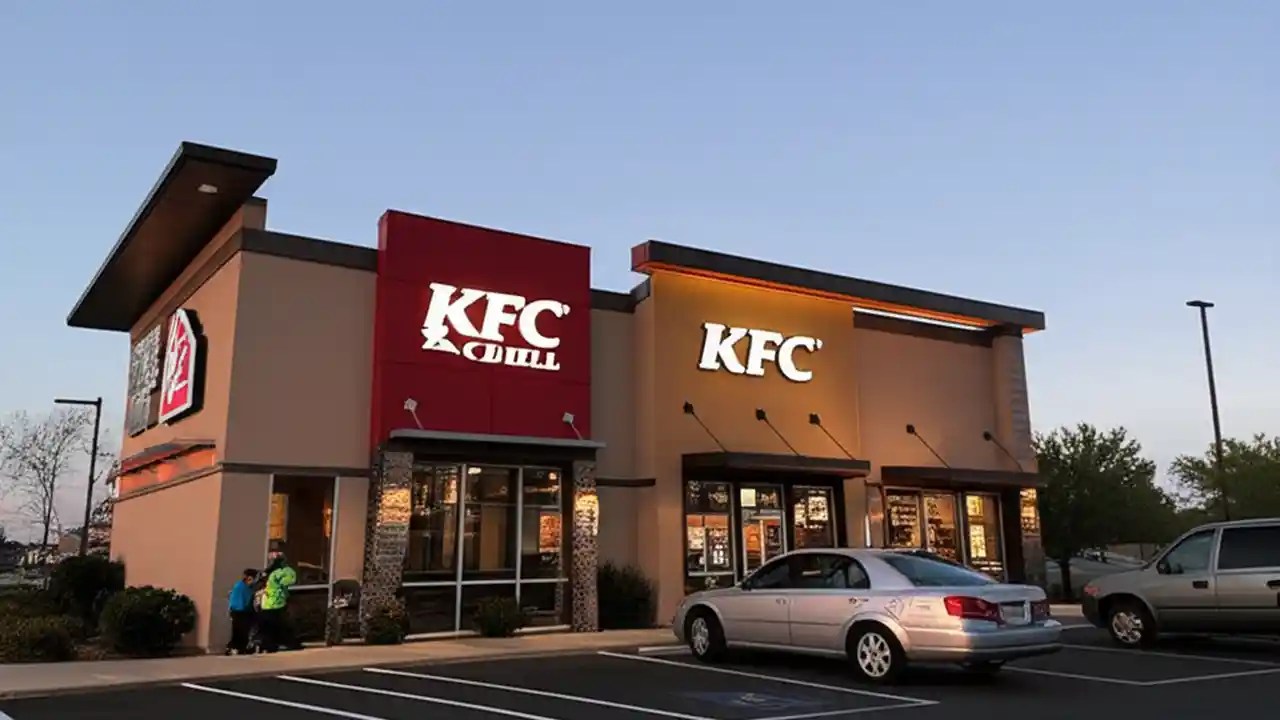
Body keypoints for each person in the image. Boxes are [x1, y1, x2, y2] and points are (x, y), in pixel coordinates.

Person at [258, 550, 297, 653]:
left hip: (266, 602)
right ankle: (286, 643)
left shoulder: (267, 572)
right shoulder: (283, 572)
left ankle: (267, 646)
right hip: (277, 602)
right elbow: (290, 581)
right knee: (281, 625)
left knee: (268, 627)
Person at [225, 568, 258, 655]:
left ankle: (239, 647)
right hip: (240, 612)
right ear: (250, 578)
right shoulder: (241, 587)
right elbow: (240, 602)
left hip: (242, 612)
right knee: (239, 631)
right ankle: (235, 647)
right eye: (255, 579)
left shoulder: (246, 587)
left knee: (242, 632)